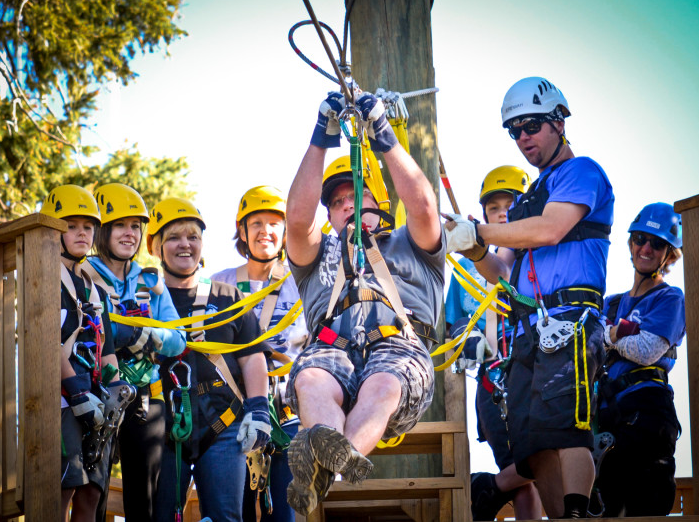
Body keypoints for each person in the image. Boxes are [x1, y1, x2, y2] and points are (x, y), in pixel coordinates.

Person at [446, 77, 614, 518]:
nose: (523, 138)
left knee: (567, 427)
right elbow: (502, 273)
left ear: (559, 122)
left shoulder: (582, 173)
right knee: (531, 441)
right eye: (514, 130)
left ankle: (578, 513)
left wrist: (481, 230)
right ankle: (562, 516)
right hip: (529, 329)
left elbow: (551, 229)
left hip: (571, 318)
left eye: (532, 126)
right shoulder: (525, 201)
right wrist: (473, 247)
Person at [284, 91, 445, 516]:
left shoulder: (413, 245)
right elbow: (297, 222)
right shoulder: (318, 255)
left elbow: (425, 205)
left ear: (381, 204)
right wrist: (322, 135)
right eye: (337, 202)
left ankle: (329, 463)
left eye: (358, 197)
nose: (348, 204)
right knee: (311, 381)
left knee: (383, 384)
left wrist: (383, 135)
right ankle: (332, 458)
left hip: (398, 349)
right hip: (330, 348)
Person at [146, 197, 271, 522]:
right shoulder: (144, 303)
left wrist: (258, 408)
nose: (184, 245)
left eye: (193, 237)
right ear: (155, 245)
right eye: (173, 237)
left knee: (226, 518)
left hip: (223, 423)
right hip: (162, 425)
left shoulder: (226, 297)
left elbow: (252, 356)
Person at [82, 183, 187, 522]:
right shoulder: (84, 273)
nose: (129, 234)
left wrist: (139, 333)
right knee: (92, 492)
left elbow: (178, 338)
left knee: (144, 499)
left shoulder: (149, 279)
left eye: (135, 227)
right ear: (103, 230)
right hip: (95, 394)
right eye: (120, 225)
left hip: (144, 398)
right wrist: (117, 331)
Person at [445, 166, 542, 520]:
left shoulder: (535, 256)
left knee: (535, 458)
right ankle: (498, 486)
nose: (501, 213)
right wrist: (465, 337)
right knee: (516, 468)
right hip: (490, 377)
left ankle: (489, 488)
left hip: (530, 369)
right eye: (494, 207)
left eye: (510, 204)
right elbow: (453, 320)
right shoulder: (465, 268)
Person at [211, 186, 309, 522]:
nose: (265, 231)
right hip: (236, 410)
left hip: (289, 410)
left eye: (273, 223)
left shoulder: (303, 282)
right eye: (256, 223)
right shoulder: (218, 284)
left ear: (285, 231)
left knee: (285, 513)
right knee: (237, 512)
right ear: (242, 230)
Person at [41, 185, 130, 522]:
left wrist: (117, 393)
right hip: (63, 401)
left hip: (95, 405)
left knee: (92, 493)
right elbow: (47, 341)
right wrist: (76, 391)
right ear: (54, 230)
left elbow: (106, 350)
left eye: (88, 226)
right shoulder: (44, 277)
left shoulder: (94, 288)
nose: (81, 232)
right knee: (63, 488)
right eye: (71, 225)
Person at [596, 203, 685, 516]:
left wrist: (610, 337)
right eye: (640, 238)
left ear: (669, 254)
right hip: (606, 416)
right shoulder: (610, 304)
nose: (646, 248)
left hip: (648, 411)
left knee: (645, 510)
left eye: (657, 243)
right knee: (606, 510)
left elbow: (647, 350)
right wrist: (618, 334)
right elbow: (590, 346)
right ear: (631, 242)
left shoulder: (669, 298)